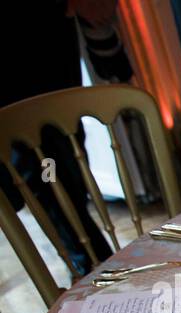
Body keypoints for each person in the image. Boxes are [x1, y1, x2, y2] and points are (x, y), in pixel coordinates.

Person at [0, 1, 133, 277]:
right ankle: (98, 276)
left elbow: (96, 19)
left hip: (55, 105)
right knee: (47, 188)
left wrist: (101, 33)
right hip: (26, 112)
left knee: (65, 190)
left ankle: (99, 275)